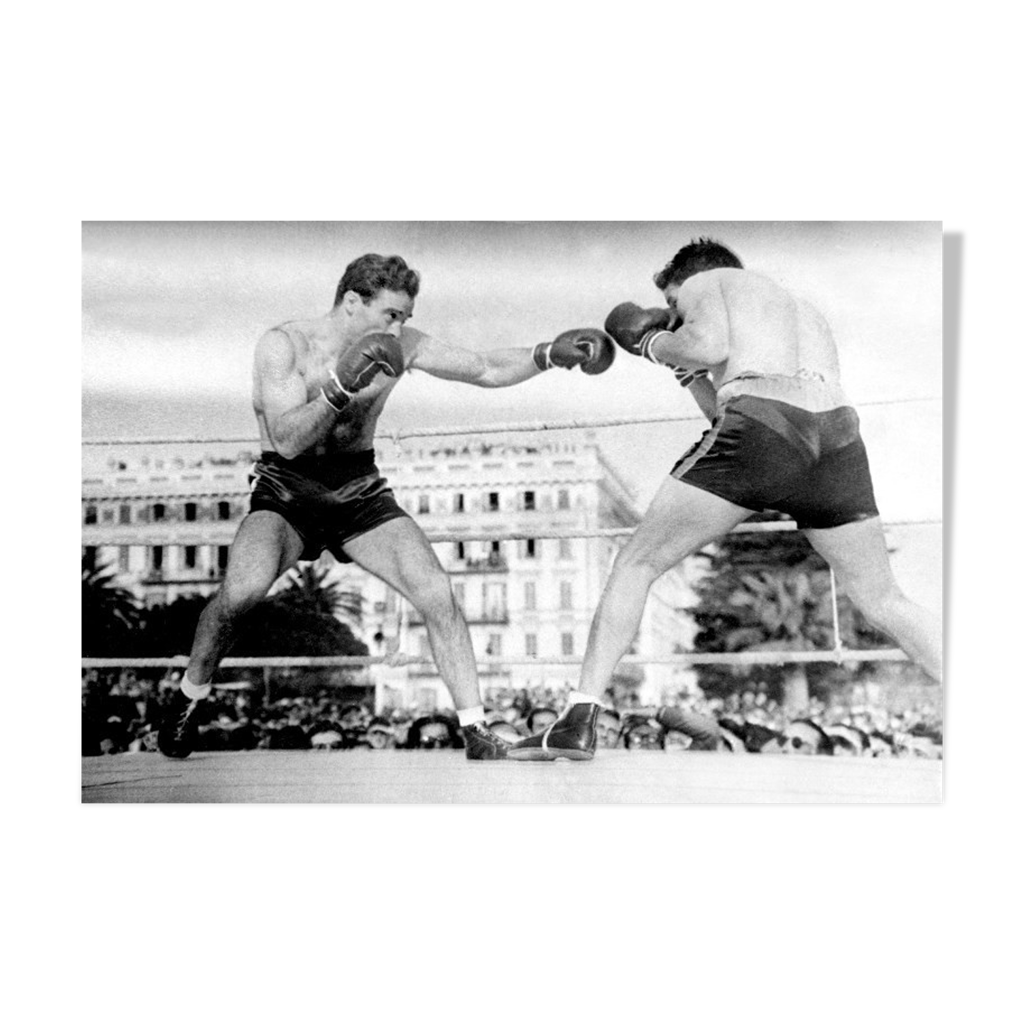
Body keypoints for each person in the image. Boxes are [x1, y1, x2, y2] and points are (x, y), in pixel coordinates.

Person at [157, 253, 615, 761]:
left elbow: (484, 367)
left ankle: (477, 731)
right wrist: (339, 388)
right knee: (242, 592)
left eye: (405, 318)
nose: (397, 329)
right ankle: (190, 695)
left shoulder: (404, 344)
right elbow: (286, 440)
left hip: (358, 488)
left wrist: (548, 354)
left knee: (436, 590)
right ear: (353, 302)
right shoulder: (284, 346)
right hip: (287, 490)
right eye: (391, 315)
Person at [509, 238, 944, 762]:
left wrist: (652, 342)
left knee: (636, 564)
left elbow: (705, 348)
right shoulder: (799, 309)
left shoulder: (706, 281)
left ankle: (577, 721)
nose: (674, 314)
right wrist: (685, 369)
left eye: (672, 304)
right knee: (884, 599)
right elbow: (724, 405)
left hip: (764, 423)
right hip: (838, 438)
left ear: (688, 279)